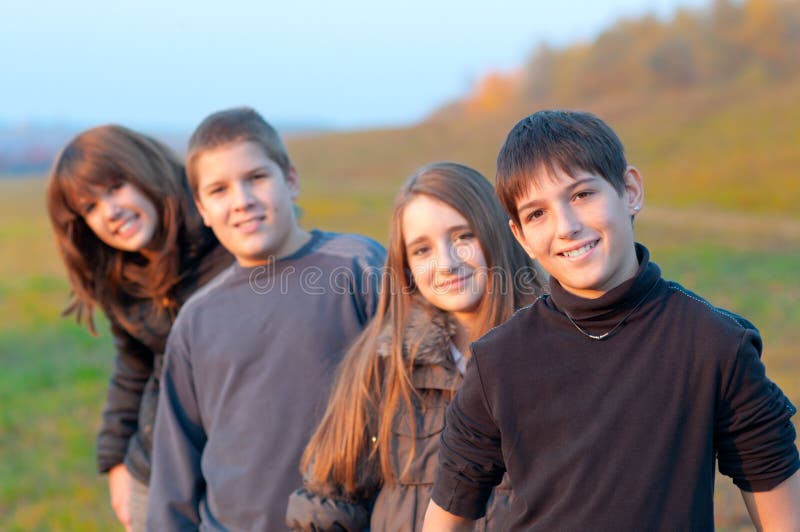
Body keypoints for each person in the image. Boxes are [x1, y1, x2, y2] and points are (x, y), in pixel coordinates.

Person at [423, 110, 800, 531]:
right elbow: (446, 514)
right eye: (537, 214)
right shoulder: (498, 361)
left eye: (582, 194)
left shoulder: (715, 343)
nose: (566, 226)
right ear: (521, 237)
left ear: (630, 190)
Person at [146, 107, 386, 531]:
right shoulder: (198, 318)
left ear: (290, 179)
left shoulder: (358, 267)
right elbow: (174, 470)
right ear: (201, 208)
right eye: (219, 190)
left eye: (256, 177)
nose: (242, 201)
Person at [285, 162, 545, 531]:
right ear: (405, 266)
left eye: (462, 237)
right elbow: (330, 508)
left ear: (498, 234)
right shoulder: (382, 364)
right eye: (422, 250)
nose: (447, 264)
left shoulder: (554, 347)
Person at [46, 125, 233, 531]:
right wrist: (115, 463)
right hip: (155, 470)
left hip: (236, 472)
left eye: (115, 188)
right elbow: (133, 370)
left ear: (148, 171)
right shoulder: (122, 279)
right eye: (90, 207)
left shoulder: (231, 247)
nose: (109, 211)